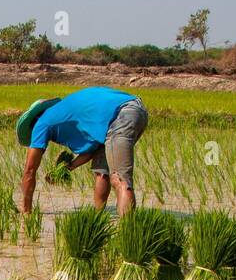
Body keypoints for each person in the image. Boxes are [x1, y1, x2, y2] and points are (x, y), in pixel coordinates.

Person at [19, 86, 149, 217]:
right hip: (132, 111)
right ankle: (98, 219)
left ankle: (129, 233)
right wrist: (67, 167)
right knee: (101, 172)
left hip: (122, 115)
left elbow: (29, 171)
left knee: (119, 179)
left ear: (34, 121)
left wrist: (26, 211)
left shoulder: (41, 123)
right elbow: (92, 150)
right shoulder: (63, 113)